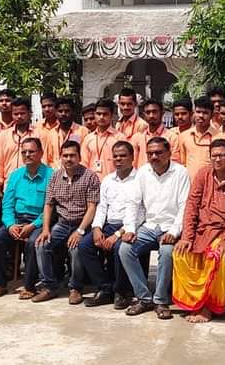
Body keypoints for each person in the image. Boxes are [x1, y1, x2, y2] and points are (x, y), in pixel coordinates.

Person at [172, 139, 225, 323]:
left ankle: (209, 306)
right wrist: (187, 236)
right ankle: (193, 303)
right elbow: (192, 205)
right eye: (213, 155)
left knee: (216, 256)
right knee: (180, 253)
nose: (217, 159)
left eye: (221, 155)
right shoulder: (203, 174)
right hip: (201, 230)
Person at [119, 137, 191, 319]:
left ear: (168, 153)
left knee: (167, 253)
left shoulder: (180, 172)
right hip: (149, 226)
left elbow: (185, 206)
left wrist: (174, 232)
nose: (154, 156)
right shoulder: (143, 173)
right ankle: (144, 298)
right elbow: (133, 203)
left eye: (158, 152)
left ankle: (160, 300)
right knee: (125, 249)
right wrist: (130, 229)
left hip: (171, 226)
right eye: (150, 153)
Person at [33, 141, 102, 303]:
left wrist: (80, 231)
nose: (68, 159)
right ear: (60, 158)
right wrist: (45, 229)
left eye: (72, 155)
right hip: (63, 223)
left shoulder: (90, 177)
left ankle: (75, 288)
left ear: (79, 157)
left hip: (83, 224)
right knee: (41, 244)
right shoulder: (55, 177)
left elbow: (92, 208)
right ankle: (50, 286)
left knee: (76, 249)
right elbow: (48, 204)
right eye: (65, 156)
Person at [0, 137, 51, 300]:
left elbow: (51, 207)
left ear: (41, 153)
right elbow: (7, 204)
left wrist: (34, 224)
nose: (27, 155)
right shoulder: (15, 176)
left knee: (33, 242)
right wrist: (10, 225)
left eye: (31, 151)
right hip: (17, 220)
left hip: (39, 221)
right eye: (24, 152)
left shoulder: (51, 175)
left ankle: (30, 286)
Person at [79, 141, 141, 308]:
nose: (119, 159)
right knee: (84, 245)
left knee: (119, 248)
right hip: (108, 224)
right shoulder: (107, 180)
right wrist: (97, 228)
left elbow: (139, 212)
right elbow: (102, 207)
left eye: (123, 156)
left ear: (132, 157)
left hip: (129, 226)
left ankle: (122, 292)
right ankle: (105, 289)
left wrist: (118, 235)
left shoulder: (140, 179)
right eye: (115, 156)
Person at [0, 97, 40, 196]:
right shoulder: (3, 136)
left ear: (30, 113)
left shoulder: (39, 135)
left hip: (34, 186)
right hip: (8, 188)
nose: (19, 116)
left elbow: (45, 160)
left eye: (22, 113)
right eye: (15, 114)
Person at [82, 99, 137, 179]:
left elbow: (127, 163)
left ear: (112, 116)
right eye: (98, 114)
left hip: (114, 183)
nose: (101, 117)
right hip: (91, 185)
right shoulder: (88, 139)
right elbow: (84, 164)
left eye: (105, 114)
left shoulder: (119, 138)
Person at [173, 96, 219, 177]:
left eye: (205, 113)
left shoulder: (219, 137)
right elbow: (182, 163)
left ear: (212, 115)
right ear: (194, 113)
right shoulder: (183, 136)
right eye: (198, 112)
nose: (201, 115)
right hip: (189, 182)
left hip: (211, 183)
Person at [45, 97, 87, 168]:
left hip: (77, 174)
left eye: (67, 111)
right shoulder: (51, 133)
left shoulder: (83, 132)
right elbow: (47, 159)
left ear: (73, 112)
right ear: (55, 113)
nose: (63, 114)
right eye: (60, 111)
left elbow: (85, 157)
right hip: (55, 174)